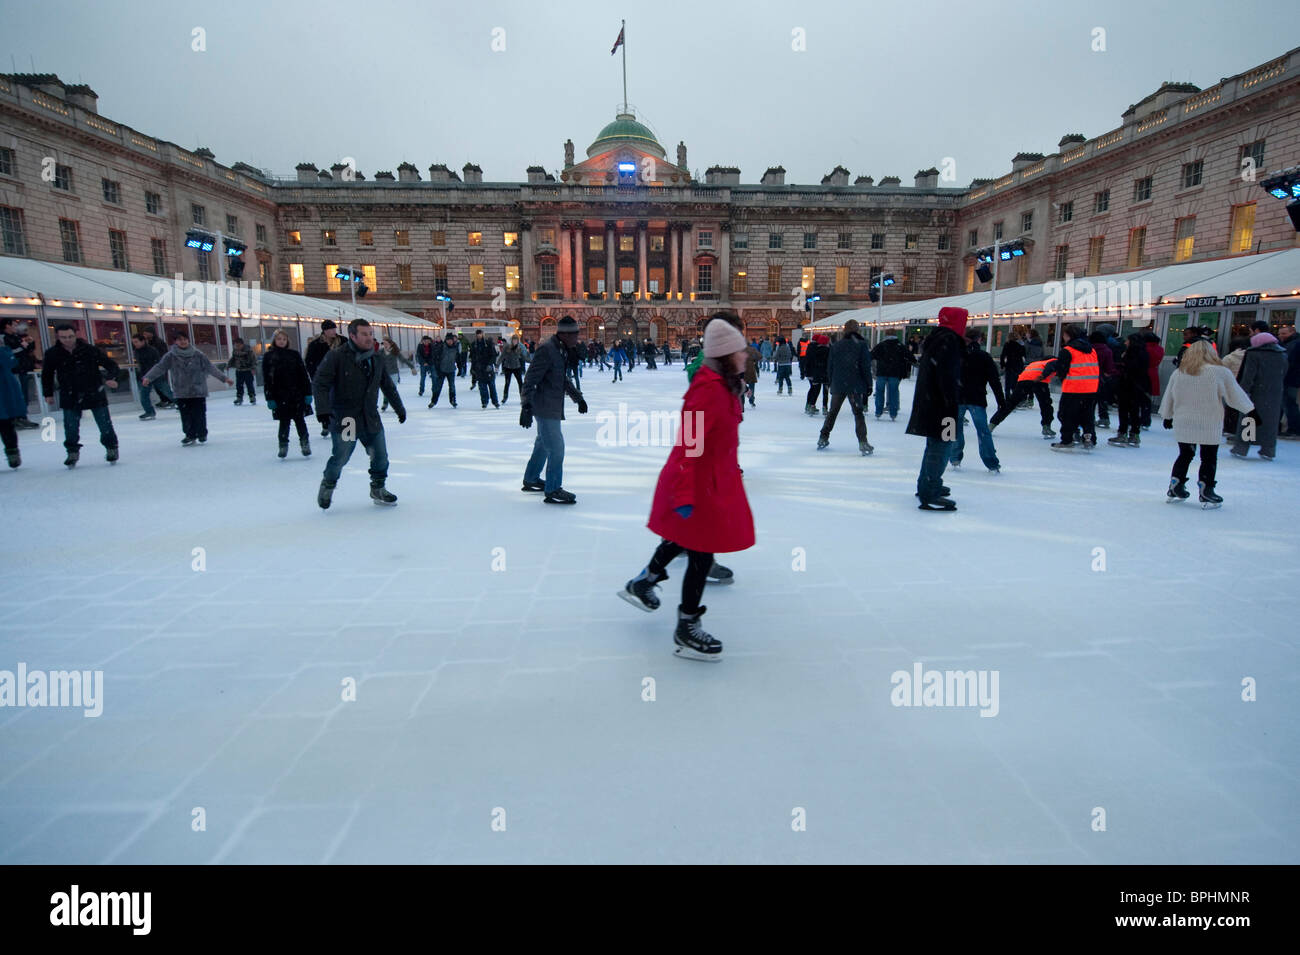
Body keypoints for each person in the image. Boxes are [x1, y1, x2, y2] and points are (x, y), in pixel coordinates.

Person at [619, 316, 755, 661]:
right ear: (726, 356)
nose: (746, 356)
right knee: (701, 552)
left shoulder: (726, 385)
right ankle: (687, 627)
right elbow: (688, 445)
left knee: (688, 539)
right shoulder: (706, 390)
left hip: (713, 481)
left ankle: (645, 581)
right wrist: (684, 494)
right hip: (695, 481)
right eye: (740, 351)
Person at [313, 318, 406, 509]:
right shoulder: (337, 357)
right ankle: (328, 484)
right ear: (352, 336)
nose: (369, 337)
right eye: (364, 334)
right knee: (341, 456)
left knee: (380, 456)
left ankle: (378, 487)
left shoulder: (376, 357)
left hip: (370, 417)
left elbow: (386, 384)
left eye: (371, 333)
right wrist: (323, 410)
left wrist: (399, 408)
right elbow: (320, 383)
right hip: (348, 419)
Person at [1159, 341, 1254, 508]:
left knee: (1185, 454)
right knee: (1208, 457)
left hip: (1184, 421)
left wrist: (1167, 415)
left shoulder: (1180, 372)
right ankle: (1206, 489)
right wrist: (1250, 410)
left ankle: (1176, 484)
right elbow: (1235, 395)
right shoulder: (1220, 372)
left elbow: (1169, 396)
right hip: (1209, 421)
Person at [520, 315, 587, 504]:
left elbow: (562, 379)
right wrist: (526, 406)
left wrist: (578, 398)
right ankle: (553, 488)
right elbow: (530, 379)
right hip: (545, 407)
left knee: (542, 444)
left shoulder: (560, 350)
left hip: (552, 405)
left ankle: (531, 478)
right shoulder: (548, 350)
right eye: (574, 335)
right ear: (564, 334)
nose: (577, 338)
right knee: (556, 448)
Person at [906, 308, 966, 510]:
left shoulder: (936, 339)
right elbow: (947, 376)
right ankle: (930, 489)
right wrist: (952, 399)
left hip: (932, 403)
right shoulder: (950, 342)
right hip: (944, 407)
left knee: (934, 445)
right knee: (943, 446)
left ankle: (928, 484)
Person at [42, 323, 122, 467]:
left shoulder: (89, 350)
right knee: (71, 426)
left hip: (93, 391)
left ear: (75, 335)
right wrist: (48, 393)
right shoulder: (53, 353)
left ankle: (111, 448)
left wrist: (112, 378)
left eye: (70, 336)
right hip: (70, 393)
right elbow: (46, 375)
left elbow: (111, 365)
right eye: (64, 337)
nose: (67, 340)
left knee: (105, 424)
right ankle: (72, 451)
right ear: (58, 337)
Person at [141, 331, 233, 446]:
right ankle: (189, 435)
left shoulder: (198, 354)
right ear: (175, 342)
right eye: (180, 340)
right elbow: (160, 367)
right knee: (186, 415)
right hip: (181, 391)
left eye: (185, 339)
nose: (183, 341)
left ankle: (201, 433)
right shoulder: (171, 356)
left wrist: (224, 379)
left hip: (198, 390)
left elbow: (210, 367)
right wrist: (148, 377)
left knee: (199, 414)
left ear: (188, 340)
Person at [949, 327, 1005, 472]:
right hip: (977, 398)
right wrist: (1001, 400)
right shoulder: (984, 356)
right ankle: (991, 462)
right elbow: (994, 380)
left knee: (954, 428)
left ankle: (954, 457)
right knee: (983, 431)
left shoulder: (956, 355)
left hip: (958, 397)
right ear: (979, 339)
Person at [816, 319, 873, 454]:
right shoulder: (861, 345)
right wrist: (869, 384)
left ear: (844, 330)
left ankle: (823, 437)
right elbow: (865, 366)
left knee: (833, 412)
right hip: (855, 384)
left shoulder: (836, 346)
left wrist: (831, 381)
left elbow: (830, 366)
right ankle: (863, 441)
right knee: (858, 413)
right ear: (857, 330)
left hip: (839, 383)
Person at [1230, 330, 1287, 461]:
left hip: (1256, 393)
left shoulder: (1253, 354)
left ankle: (1241, 448)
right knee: (1270, 422)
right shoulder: (1282, 354)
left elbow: (1248, 375)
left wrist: (1243, 391)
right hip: (1274, 394)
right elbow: (1284, 373)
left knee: (1249, 419)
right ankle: (1268, 450)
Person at [262, 328, 314, 458]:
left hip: (297, 394)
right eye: (279, 339)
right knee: (284, 422)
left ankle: (305, 443)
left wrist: (308, 393)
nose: (281, 341)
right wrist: (269, 397)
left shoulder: (294, 354)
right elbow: (267, 379)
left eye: (284, 339)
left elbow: (303, 374)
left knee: (300, 420)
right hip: (280, 395)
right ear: (274, 340)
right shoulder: (269, 357)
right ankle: (283, 445)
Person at [1050, 324, 1099, 452]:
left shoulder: (1068, 350)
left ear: (1069, 335)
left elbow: (1062, 369)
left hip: (1073, 387)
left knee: (1066, 414)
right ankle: (1089, 437)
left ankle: (1067, 439)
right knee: (1087, 414)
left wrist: (1062, 378)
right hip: (1091, 388)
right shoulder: (1091, 350)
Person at [1107, 332, 1152, 447]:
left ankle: (1123, 433)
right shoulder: (1144, 353)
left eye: (1128, 340)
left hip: (1128, 385)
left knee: (1124, 410)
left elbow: (1130, 368)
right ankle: (1134, 434)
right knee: (1134, 410)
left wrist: (1122, 363)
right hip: (1138, 386)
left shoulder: (1131, 354)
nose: (1126, 342)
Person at [0, 318, 39, 429]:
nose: (16, 327)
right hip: (13, 371)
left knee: (23, 395)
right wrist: (22, 346)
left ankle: (22, 417)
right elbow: (8, 353)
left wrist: (30, 343)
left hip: (23, 369)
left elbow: (26, 350)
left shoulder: (16, 337)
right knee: (16, 395)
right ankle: (16, 418)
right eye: (14, 325)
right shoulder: (4, 338)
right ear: (7, 326)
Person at [306, 321, 342, 435]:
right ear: (324, 331)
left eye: (334, 329)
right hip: (324, 378)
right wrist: (314, 377)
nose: (333, 332)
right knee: (325, 401)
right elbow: (309, 362)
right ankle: (326, 423)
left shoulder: (343, 341)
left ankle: (340, 424)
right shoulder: (316, 345)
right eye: (330, 329)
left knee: (340, 401)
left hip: (341, 377)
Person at [870, 333, 915, 420]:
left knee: (879, 392)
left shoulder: (881, 345)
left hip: (882, 372)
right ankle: (893, 412)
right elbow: (910, 357)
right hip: (895, 373)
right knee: (893, 392)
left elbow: (871, 355)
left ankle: (878, 411)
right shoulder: (900, 346)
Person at [1, 334, 27, 467]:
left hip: (5, 395)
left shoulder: (4, 352)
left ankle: (13, 454)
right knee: (6, 426)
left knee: (6, 425)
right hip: (5, 394)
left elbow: (11, 362)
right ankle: (13, 454)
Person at [1088, 330, 1118, 429]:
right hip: (1102, 378)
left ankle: (1089, 418)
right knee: (1102, 400)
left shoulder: (1089, 349)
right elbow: (1109, 367)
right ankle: (1104, 418)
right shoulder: (1107, 350)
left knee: (1090, 401)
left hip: (1089, 377)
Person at [129, 333, 162, 420]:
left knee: (167, 391)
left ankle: (182, 406)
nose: (135, 344)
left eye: (136, 342)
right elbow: (141, 365)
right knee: (144, 396)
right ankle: (149, 412)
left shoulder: (152, 350)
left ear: (143, 341)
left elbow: (157, 363)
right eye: (134, 342)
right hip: (144, 377)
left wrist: (151, 374)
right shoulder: (137, 351)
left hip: (155, 375)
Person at [1278, 323, 1300, 438]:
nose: (1281, 336)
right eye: (1280, 333)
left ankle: (1294, 429)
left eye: (1284, 333)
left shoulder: (1293, 345)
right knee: (1287, 403)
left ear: (1292, 332)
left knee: (1288, 403)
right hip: (1291, 378)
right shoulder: (1289, 344)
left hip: (1290, 379)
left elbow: (1289, 363)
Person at [379, 339, 413, 412]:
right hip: (384, 374)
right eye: (383, 343)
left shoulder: (394, 351)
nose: (385, 345)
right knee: (386, 389)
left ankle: (395, 405)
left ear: (390, 344)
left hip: (394, 373)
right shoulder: (380, 352)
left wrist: (411, 367)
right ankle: (385, 403)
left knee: (392, 390)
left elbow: (403, 359)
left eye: (386, 343)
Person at [1140, 329, 1165, 428]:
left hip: (1142, 374)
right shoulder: (1160, 349)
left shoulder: (1143, 348)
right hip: (1153, 374)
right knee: (1147, 399)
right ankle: (1146, 420)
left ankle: (1139, 419)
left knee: (1138, 398)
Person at [470, 330, 500, 409]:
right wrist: (473, 368)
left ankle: (495, 401)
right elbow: (473, 357)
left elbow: (493, 355)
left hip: (488, 367)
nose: (479, 336)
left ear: (483, 334)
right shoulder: (474, 344)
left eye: (480, 334)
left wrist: (490, 364)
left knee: (492, 386)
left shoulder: (488, 343)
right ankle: (484, 402)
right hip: (479, 368)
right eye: (478, 334)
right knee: (482, 387)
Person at [428, 332, 459, 408]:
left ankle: (453, 400)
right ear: (446, 340)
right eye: (448, 340)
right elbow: (436, 358)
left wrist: (460, 367)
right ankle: (433, 401)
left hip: (451, 369)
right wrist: (438, 369)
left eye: (451, 340)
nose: (450, 342)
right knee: (438, 386)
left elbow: (458, 357)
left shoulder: (455, 347)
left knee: (452, 386)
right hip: (442, 369)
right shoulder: (441, 347)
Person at [803, 333, 831, 416]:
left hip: (816, 373)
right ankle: (825, 407)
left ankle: (811, 405)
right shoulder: (828, 351)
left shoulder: (814, 350)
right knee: (825, 392)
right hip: (825, 374)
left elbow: (810, 361)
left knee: (815, 390)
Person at [999, 328, 1027, 404]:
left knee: (1008, 384)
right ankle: (1015, 399)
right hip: (1018, 366)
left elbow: (1003, 355)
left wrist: (1002, 364)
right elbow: (1024, 355)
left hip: (1010, 365)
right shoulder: (1021, 345)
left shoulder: (1008, 344)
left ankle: (1007, 399)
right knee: (1015, 384)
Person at [227, 337, 257, 405]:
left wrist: (253, 369)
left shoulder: (249, 351)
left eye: (238, 345)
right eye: (235, 345)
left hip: (247, 371)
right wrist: (228, 365)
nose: (237, 347)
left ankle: (252, 397)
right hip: (239, 371)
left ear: (242, 344)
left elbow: (254, 360)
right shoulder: (235, 351)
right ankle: (239, 398)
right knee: (239, 385)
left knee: (249, 384)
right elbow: (233, 359)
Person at [500, 334, 528, 403]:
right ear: (512, 340)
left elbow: (524, 357)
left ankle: (522, 397)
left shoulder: (519, 347)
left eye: (516, 340)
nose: (515, 341)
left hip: (516, 366)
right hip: (508, 367)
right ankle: (505, 397)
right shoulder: (507, 347)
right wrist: (497, 365)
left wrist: (532, 361)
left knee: (520, 383)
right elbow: (502, 356)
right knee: (507, 383)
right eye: (514, 340)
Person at [742, 340, 760, 408]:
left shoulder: (741, 350)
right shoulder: (752, 349)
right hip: (751, 370)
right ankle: (751, 400)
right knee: (751, 386)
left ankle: (742, 402)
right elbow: (760, 356)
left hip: (743, 370)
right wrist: (754, 361)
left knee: (742, 386)